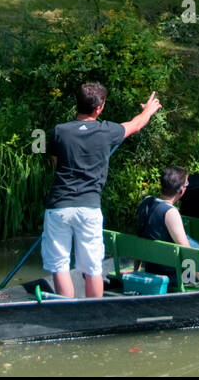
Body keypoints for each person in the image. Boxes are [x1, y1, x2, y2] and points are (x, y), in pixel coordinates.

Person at [41, 83, 161, 299]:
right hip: (89, 208)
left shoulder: (58, 131)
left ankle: (63, 309)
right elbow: (136, 125)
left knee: (59, 265)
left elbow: (49, 157)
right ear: (99, 108)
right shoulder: (108, 131)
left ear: (77, 104)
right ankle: (93, 311)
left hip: (59, 207)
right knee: (93, 267)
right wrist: (149, 110)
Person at [135, 167, 199, 288]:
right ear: (181, 191)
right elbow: (186, 250)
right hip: (175, 274)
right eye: (186, 185)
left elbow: (140, 238)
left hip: (152, 268)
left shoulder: (146, 202)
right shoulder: (170, 213)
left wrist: (136, 270)